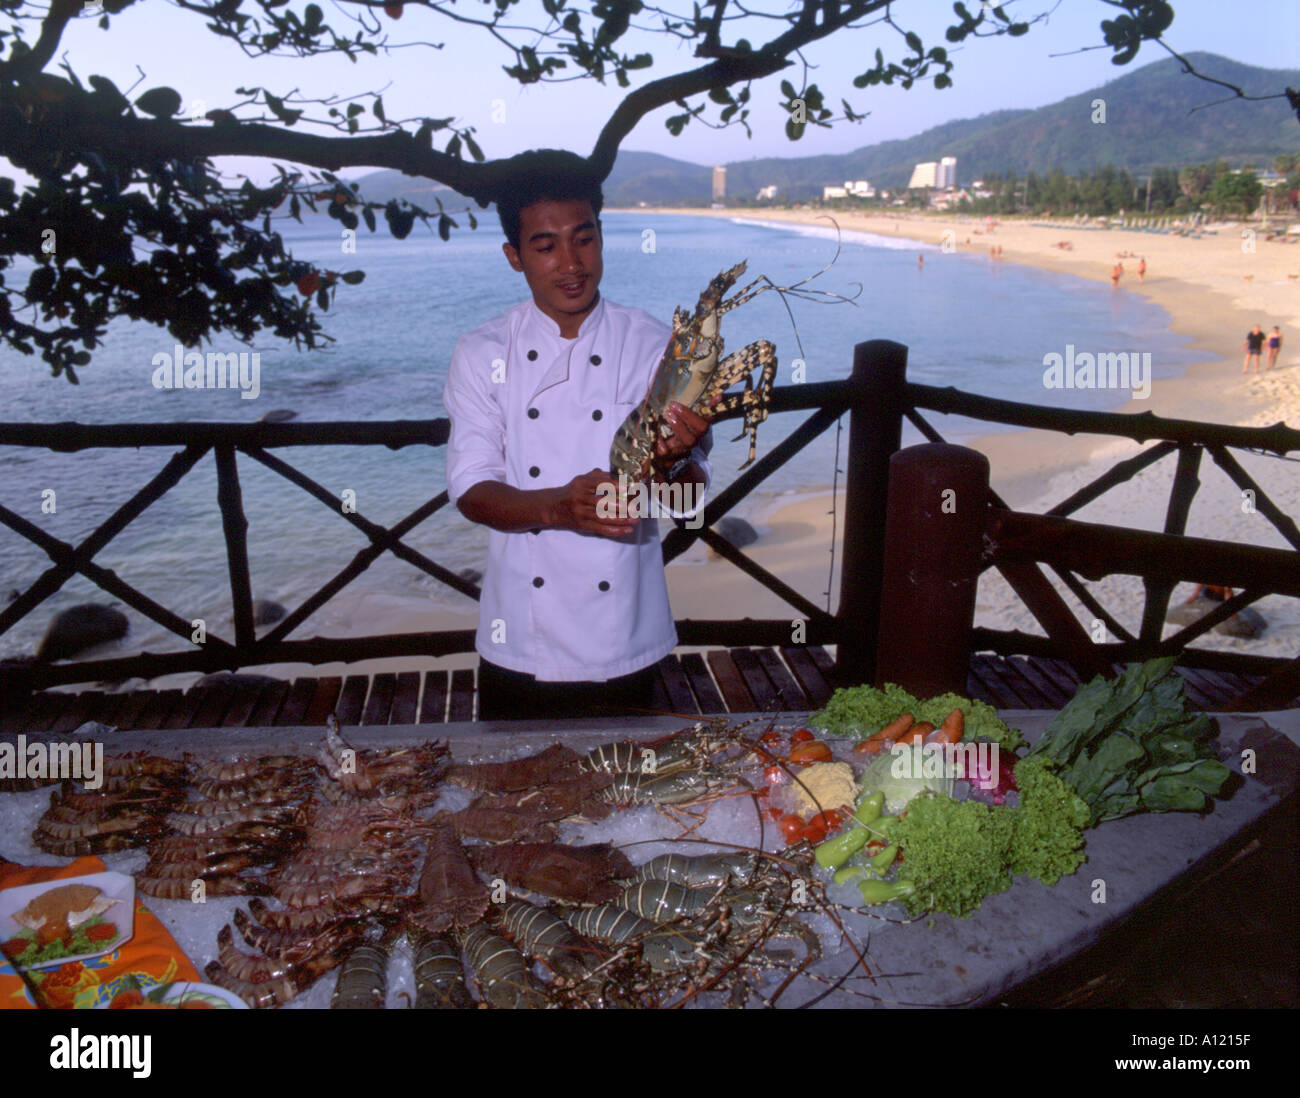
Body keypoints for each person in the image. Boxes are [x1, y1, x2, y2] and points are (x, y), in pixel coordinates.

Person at [442, 150, 713, 721]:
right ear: (514, 257)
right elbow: (471, 489)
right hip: (520, 641)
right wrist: (563, 508)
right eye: (545, 246)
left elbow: (687, 505)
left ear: (601, 238)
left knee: (631, 804)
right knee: (514, 800)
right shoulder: (483, 352)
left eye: (584, 239)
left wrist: (674, 461)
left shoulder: (654, 344)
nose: (571, 263)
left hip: (626, 641)